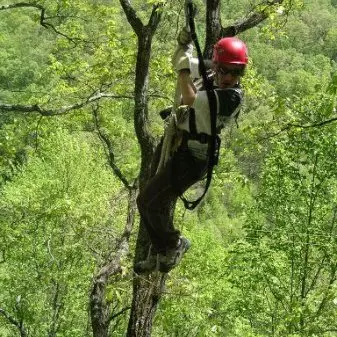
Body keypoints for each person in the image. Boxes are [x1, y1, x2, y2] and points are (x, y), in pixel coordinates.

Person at [134, 29, 248, 274]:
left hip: (193, 158)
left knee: (148, 201)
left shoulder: (231, 98)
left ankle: (174, 243)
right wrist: (183, 46)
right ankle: (160, 253)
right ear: (217, 66)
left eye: (237, 71)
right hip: (178, 143)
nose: (230, 76)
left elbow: (188, 96)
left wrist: (184, 71)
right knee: (152, 199)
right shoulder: (210, 72)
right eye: (225, 69)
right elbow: (182, 62)